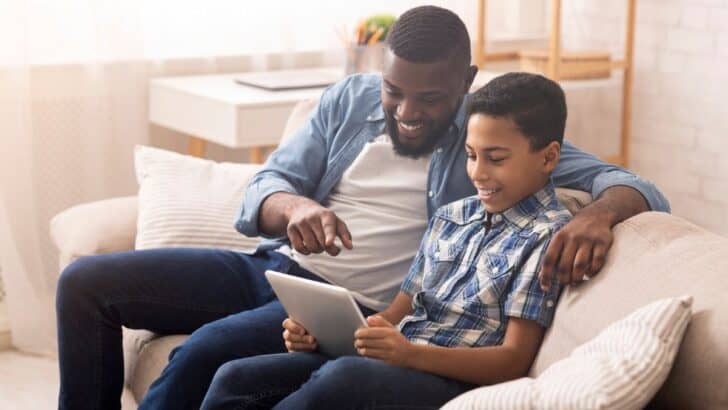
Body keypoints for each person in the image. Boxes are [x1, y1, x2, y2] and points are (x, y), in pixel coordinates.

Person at [55, 6, 669, 410]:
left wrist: (598, 213)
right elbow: (267, 183)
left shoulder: (493, 136)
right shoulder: (348, 101)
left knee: (208, 350)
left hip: (360, 306)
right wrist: (294, 208)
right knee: (86, 284)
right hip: (275, 268)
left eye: (428, 99)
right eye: (393, 90)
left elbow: (632, 182)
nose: (406, 112)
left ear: (466, 82)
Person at [198, 70, 574, 410]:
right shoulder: (451, 217)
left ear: (548, 158)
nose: (478, 172)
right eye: (472, 156)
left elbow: (513, 359)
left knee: (342, 378)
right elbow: (394, 315)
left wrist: (408, 355)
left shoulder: (548, 236)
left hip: (451, 381)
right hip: (394, 362)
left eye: (496, 158)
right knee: (234, 378)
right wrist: (324, 333)